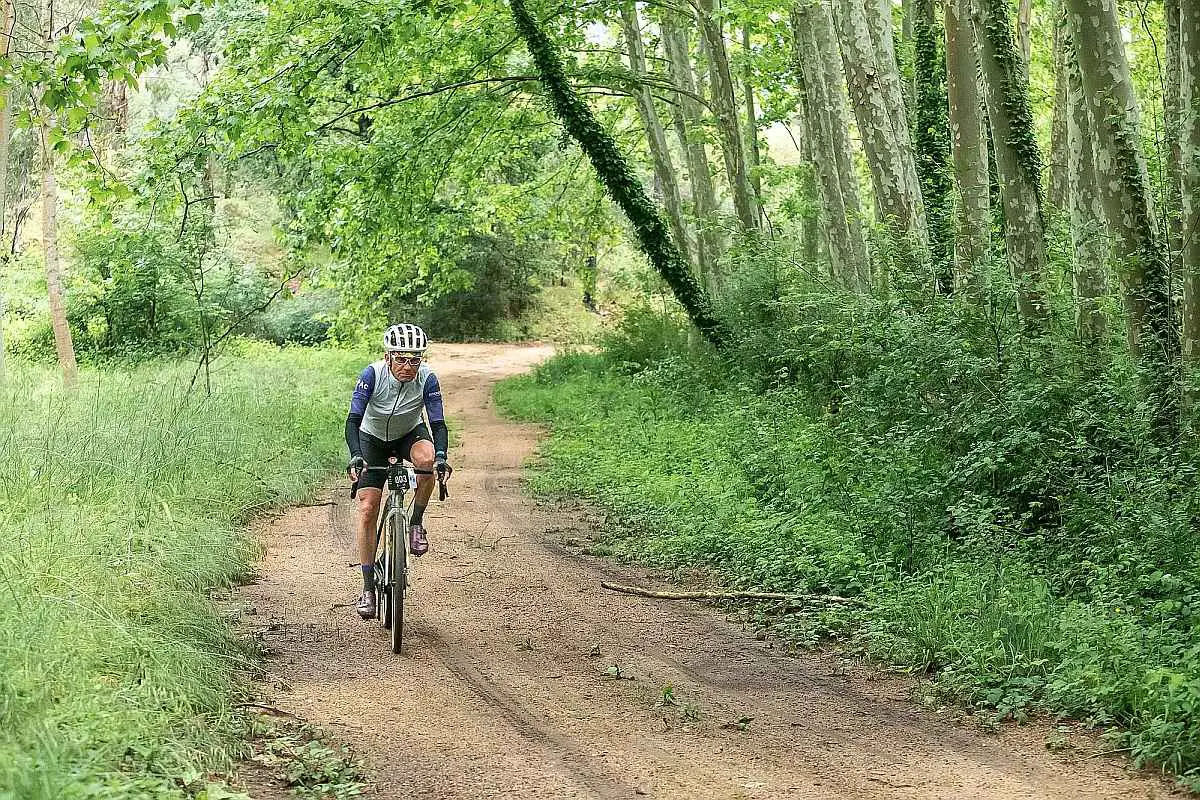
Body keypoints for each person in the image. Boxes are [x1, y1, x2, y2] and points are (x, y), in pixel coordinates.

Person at [345, 323, 451, 620]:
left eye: (414, 359)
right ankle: (367, 588)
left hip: (408, 433)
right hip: (372, 438)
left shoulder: (427, 378)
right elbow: (352, 421)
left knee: (427, 460)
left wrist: (441, 456)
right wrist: (356, 456)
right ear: (388, 356)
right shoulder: (372, 375)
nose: (408, 366)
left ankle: (415, 522)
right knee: (368, 508)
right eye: (401, 358)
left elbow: (438, 424)